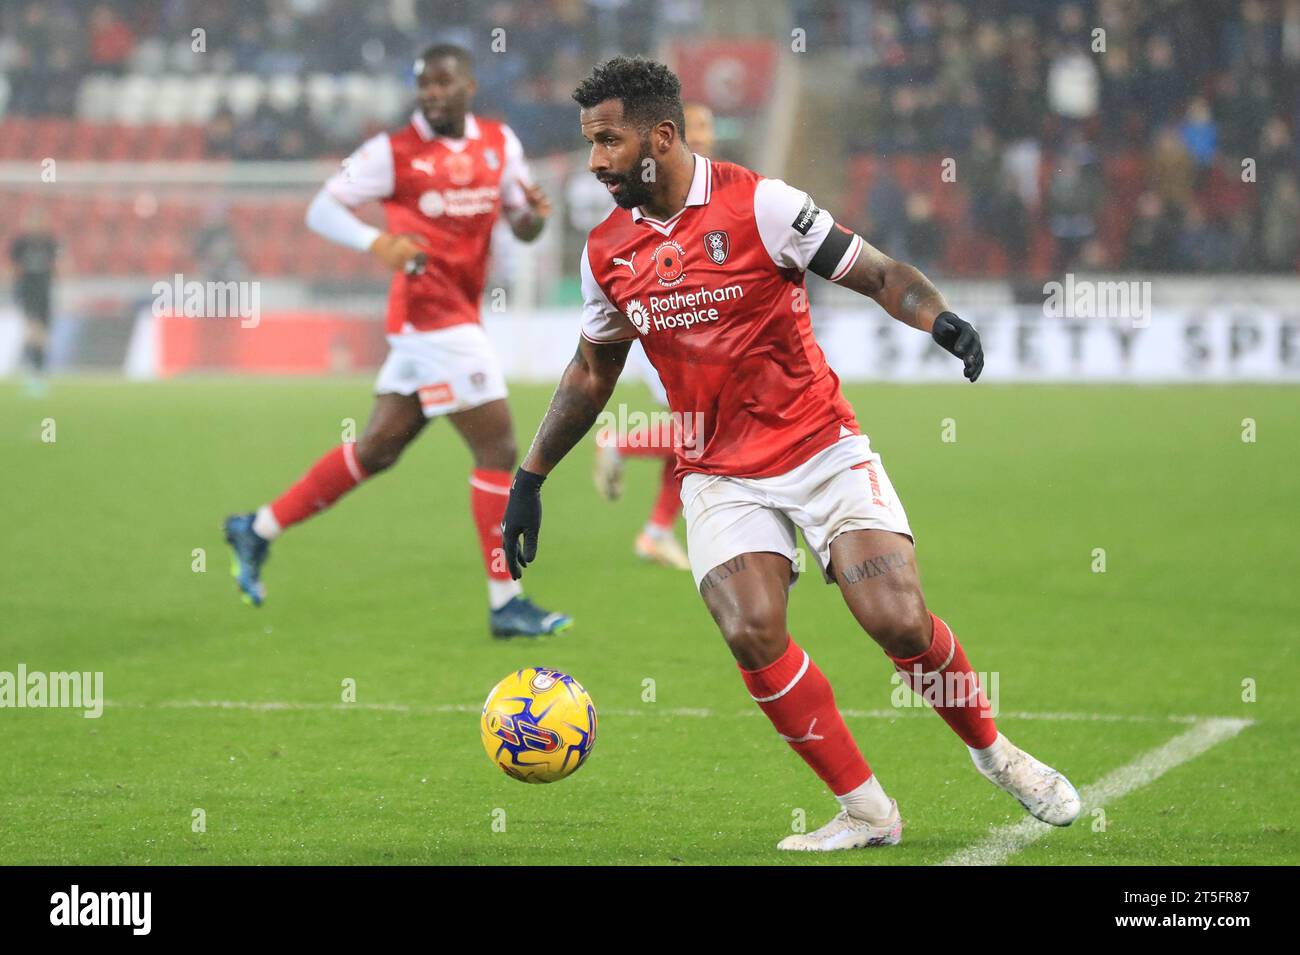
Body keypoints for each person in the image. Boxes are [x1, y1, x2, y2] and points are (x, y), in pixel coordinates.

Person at [502, 57, 1081, 850]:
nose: (596, 160)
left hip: (819, 445)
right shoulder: (605, 251)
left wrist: (939, 318)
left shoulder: (762, 205)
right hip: (718, 470)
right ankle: (868, 810)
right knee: (750, 627)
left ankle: (998, 755)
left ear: (660, 136)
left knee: (898, 619)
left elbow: (876, 273)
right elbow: (592, 370)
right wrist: (530, 477)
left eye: (608, 140)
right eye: (591, 142)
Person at [224, 44, 571, 639]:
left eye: (442, 83)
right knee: (498, 446)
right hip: (432, 318)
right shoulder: (393, 152)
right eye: (422, 85)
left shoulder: (500, 143)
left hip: (452, 318)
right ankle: (505, 601)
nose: (431, 94)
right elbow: (322, 209)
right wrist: (376, 243)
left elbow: (524, 223)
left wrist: (534, 217)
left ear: (468, 85)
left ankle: (256, 528)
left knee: (378, 449)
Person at [591, 102, 716, 571]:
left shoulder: (714, 190)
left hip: (697, 336)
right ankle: (619, 442)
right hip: (661, 331)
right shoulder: (653, 191)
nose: (703, 135)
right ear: (673, 136)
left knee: (693, 436)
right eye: (695, 127)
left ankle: (656, 532)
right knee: (700, 430)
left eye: (707, 127)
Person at [10, 206, 59, 393]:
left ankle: (37, 371)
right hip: (27, 292)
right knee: (35, 330)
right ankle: (35, 373)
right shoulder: (20, 243)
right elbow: (13, 267)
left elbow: (57, 266)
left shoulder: (50, 242)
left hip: (45, 292)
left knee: (43, 334)